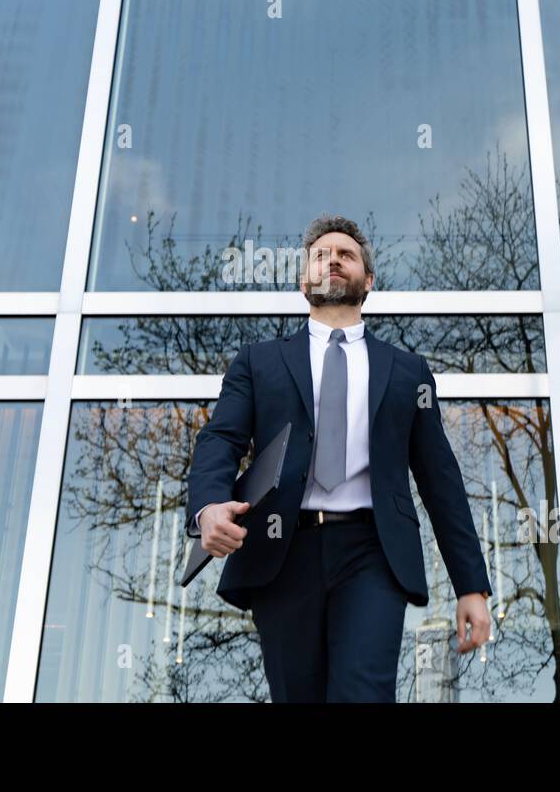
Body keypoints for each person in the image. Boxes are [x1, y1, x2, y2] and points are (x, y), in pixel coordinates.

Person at [186, 213, 493, 702]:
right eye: (321, 255)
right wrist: (208, 507)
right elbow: (220, 440)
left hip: (372, 551)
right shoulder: (257, 361)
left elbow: (441, 481)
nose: (333, 260)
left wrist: (470, 586)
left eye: (346, 255)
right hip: (282, 550)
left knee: (363, 694)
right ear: (302, 279)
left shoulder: (407, 370)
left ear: (368, 280)